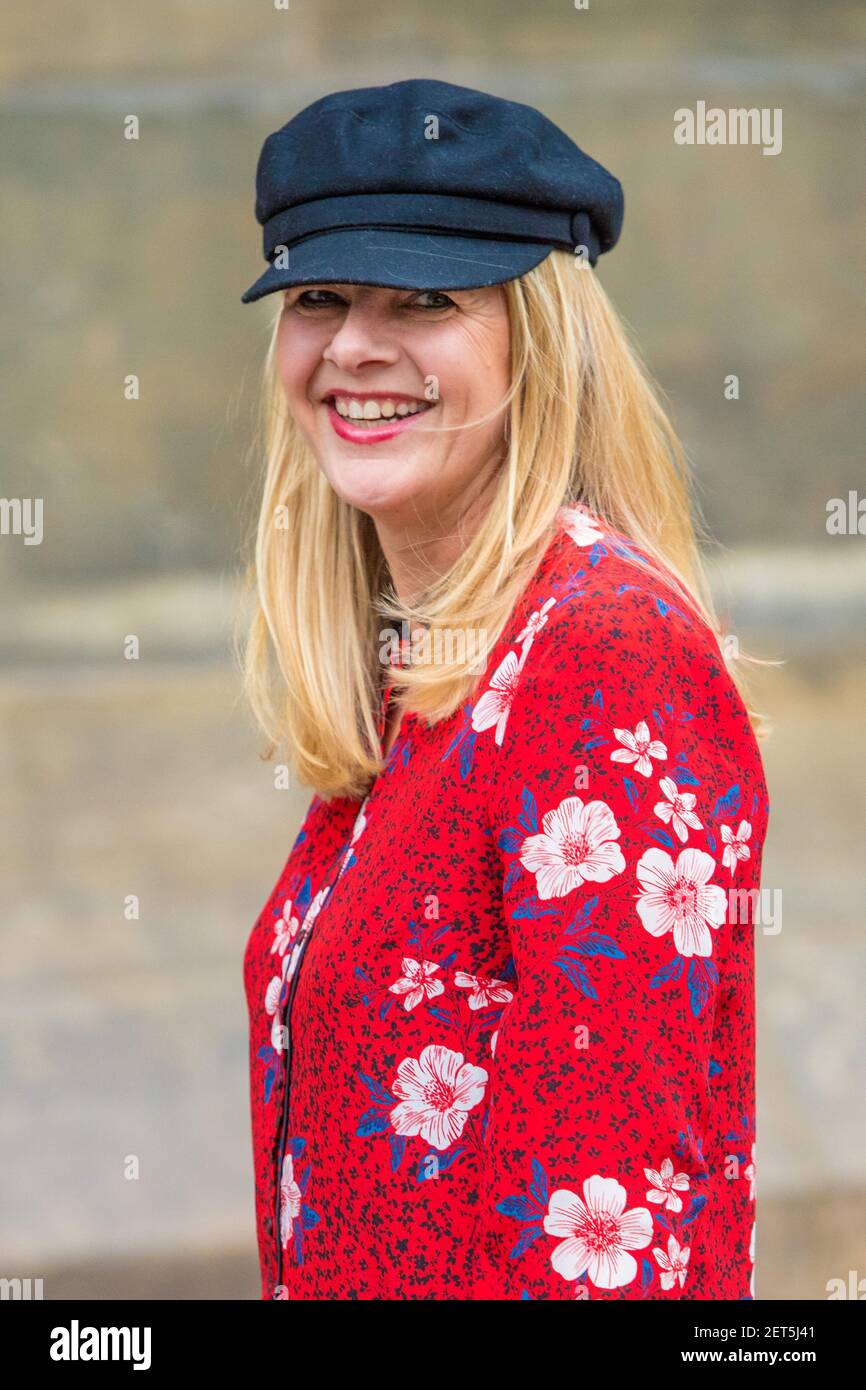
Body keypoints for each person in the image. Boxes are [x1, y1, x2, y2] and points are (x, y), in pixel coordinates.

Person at [238, 78, 770, 1300]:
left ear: (537, 337)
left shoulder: (601, 659)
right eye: (317, 296)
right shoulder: (427, 654)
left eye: (424, 297)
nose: (354, 345)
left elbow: (609, 1224)